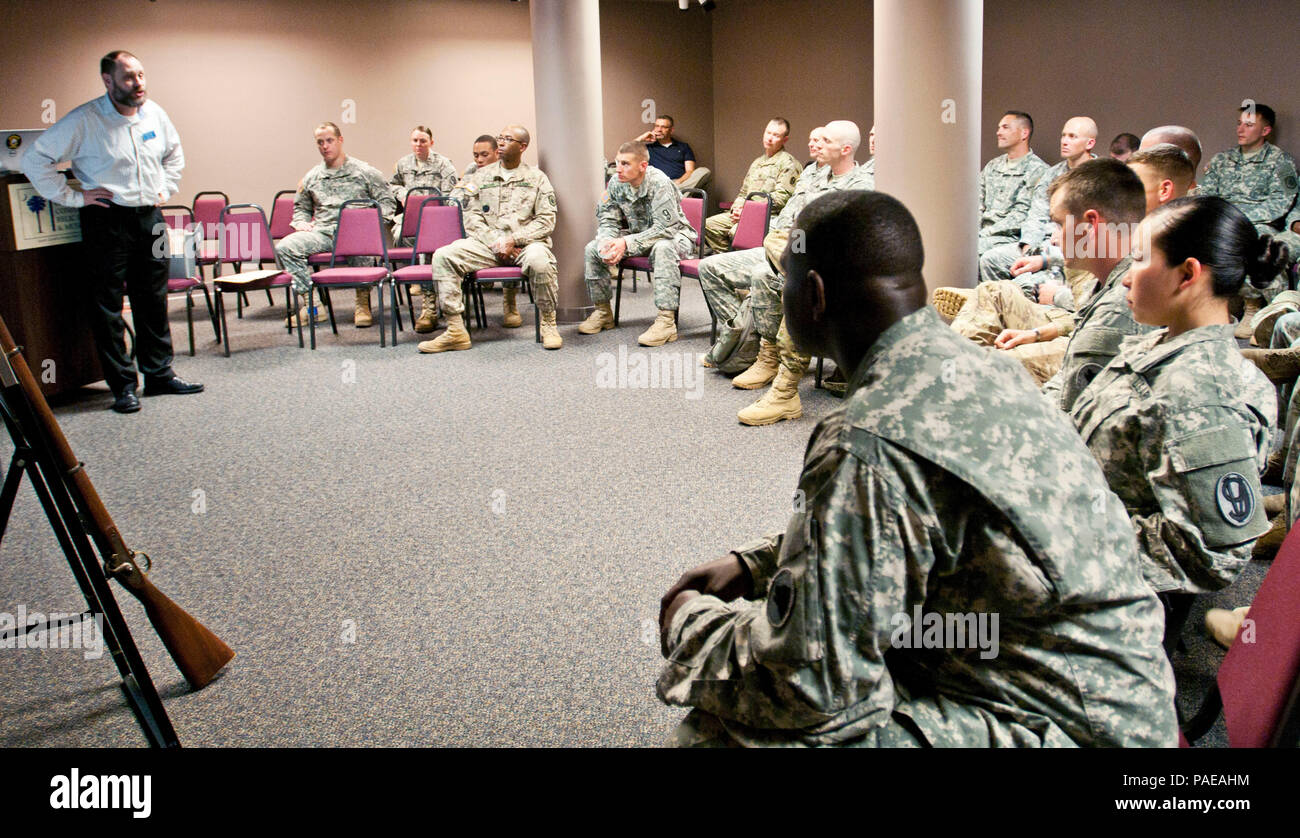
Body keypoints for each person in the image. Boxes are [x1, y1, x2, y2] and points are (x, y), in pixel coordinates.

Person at [656, 190, 1176, 747]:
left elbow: (807, 685)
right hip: (1113, 696)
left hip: (1063, 726)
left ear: (813, 295)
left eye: (782, 282)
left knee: (723, 732)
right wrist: (756, 564)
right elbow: (909, 525)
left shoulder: (865, 438)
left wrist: (690, 622)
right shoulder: (981, 369)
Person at [1070, 196, 1279, 651]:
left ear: (1187, 275)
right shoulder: (1165, 344)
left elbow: (1210, 552)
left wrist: (1059, 530)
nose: (1127, 274)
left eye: (1141, 258)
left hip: (1097, 601)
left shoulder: (1202, 394)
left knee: (927, 622)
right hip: (1072, 533)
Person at [21, 50, 202, 414]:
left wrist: (166, 187)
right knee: (108, 306)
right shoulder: (85, 120)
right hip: (107, 220)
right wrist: (72, 196)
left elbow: (174, 153)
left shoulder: (155, 113)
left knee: (153, 298)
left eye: (141, 75)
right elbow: (34, 158)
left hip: (150, 218)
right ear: (108, 81)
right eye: (129, 77)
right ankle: (122, 386)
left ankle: (159, 375)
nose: (139, 84)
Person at [734, 120, 874, 426]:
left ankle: (785, 391)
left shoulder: (863, 184)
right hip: (805, 256)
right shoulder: (816, 175)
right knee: (769, 268)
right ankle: (768, 356)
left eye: (825, 140)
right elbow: (791, 227)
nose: (817, 144)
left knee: (802, 289)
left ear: (845, 149)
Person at [1018, 159, 1152, 412]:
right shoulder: (1108, 284)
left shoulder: (1120, 306)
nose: (1055, 239)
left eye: (1059, 224)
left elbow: (1064, 414)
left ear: (1091, 224)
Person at [418, 124, 562, 351]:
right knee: (444, 256)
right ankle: (455, 331)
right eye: (500, 138)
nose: (501, 143)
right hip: (488, 245)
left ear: (522, 146)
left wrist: (514, 240)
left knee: (540, 261)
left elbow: (546, 220)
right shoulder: (480, 176)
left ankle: (548, 324)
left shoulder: (537, 178)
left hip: (525, 245)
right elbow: (471, 216)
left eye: (508, 139)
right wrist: (496, 242)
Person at [276, 122, 396, 328]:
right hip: (323, 234)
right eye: (320, 142)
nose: (325, 146)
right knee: (285, 247)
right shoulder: (312, 176)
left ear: (340, 140)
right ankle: (313, 307)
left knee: (361, 243)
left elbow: (387, 203)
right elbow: (301, 208)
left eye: (329, 141)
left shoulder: (364, 172)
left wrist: (370, 227)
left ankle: (362, 304)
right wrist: (301, 222)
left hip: (356, 235)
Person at [579, 141, 696, 347]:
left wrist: (626, 242)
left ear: (642, 166)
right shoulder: (616, 183)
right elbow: (608, 220)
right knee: (593, 248)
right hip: (639, 237)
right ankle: (603, 312)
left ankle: (666, 321)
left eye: (625, 164)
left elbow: (665, 229)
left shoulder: (659, 182)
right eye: (617, 163)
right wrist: (608, 242)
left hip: (676, 237)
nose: (619, 169)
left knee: (663, 248)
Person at [1198, 103, 1299, 331]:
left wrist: (1239, 220)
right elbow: (1208, 196)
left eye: (1249, 125)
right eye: (1239, 123)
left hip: (1259, 223)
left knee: (1259, 247)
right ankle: (1222, 302)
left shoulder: (1280, 162)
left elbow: (1280, 202)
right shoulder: (1222, 160)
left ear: (1265, 130)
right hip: (1223, 221)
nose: (1240, 129)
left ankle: (1254, 306)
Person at [980, 116, 1096, 288]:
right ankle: (997, 308)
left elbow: (1094, 227)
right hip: (1041, 242)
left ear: (1089, 143)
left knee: (1024, 283)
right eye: (1063, 136)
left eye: (1072, 137)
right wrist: (1028, 246)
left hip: (1073, 248)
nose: (1064, 141)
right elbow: (1037, 213)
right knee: (991, 260)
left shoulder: (1100, 175)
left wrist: (1057, 245)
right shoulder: (1053, 174)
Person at [390, 125, 459, 332]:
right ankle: (421, 281)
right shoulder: (403, 164)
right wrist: (403, 194)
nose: (418, 145)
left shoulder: (444, 164)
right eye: (415, 141)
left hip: (437, 218)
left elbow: (450, 195)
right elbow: (392, 185)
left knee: (432, 246)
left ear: (431, 142)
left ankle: (434, 305)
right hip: (411, 217)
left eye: (422, 141)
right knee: (398, 234)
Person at [700, 119, 801, 255]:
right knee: (709, 225)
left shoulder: (788, 163)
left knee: (738, 231)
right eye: (768, 133)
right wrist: (737, 209)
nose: (770, 138)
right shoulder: (757, 163)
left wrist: (748, 212)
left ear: (785, 139)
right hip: (745, 213)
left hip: (769, 216)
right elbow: (743, 193)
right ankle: (728, 260)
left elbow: (781, 199)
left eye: (776, 135)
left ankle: (741, 263)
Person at [977, 111, 1048, 276]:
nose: (998, 132)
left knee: (973, 253)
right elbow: (977, 202)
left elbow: (1021, 214)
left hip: (1009, 237)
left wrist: (984, 234)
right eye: (999, 127)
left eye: (1005, 127)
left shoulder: (1037, 170)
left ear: (1024, 133)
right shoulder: (993, 166)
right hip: (982, 233)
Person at [635, 115, 711, 191]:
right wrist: (641, 138)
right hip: (658, 185)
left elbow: (690, 171)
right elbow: (625, 152)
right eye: (657, 126)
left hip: (680, 183)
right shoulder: (648, 148)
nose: (659, 129)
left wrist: (677, 183)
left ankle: (673, 192)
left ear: (671, 130)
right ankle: (675, 194)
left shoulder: (683, 147)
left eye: (663, 127)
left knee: (704, 171)